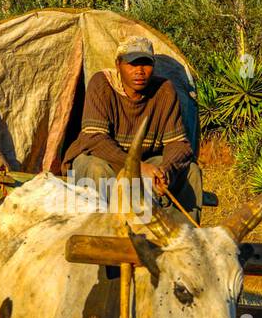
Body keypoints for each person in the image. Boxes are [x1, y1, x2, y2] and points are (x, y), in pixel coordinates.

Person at [63, 35, 202, 218]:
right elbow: (94, 139)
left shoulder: (164, 90)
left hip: (145, 163)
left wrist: (166, 171)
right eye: (132, 64)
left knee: (191, 171)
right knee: (97, 169)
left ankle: (182, 239)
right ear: (118, 64)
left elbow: (178, 144)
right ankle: (104, 234)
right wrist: (137, 167)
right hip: (104, 161)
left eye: (146, 64)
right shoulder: (102, 83)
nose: (140, 71)